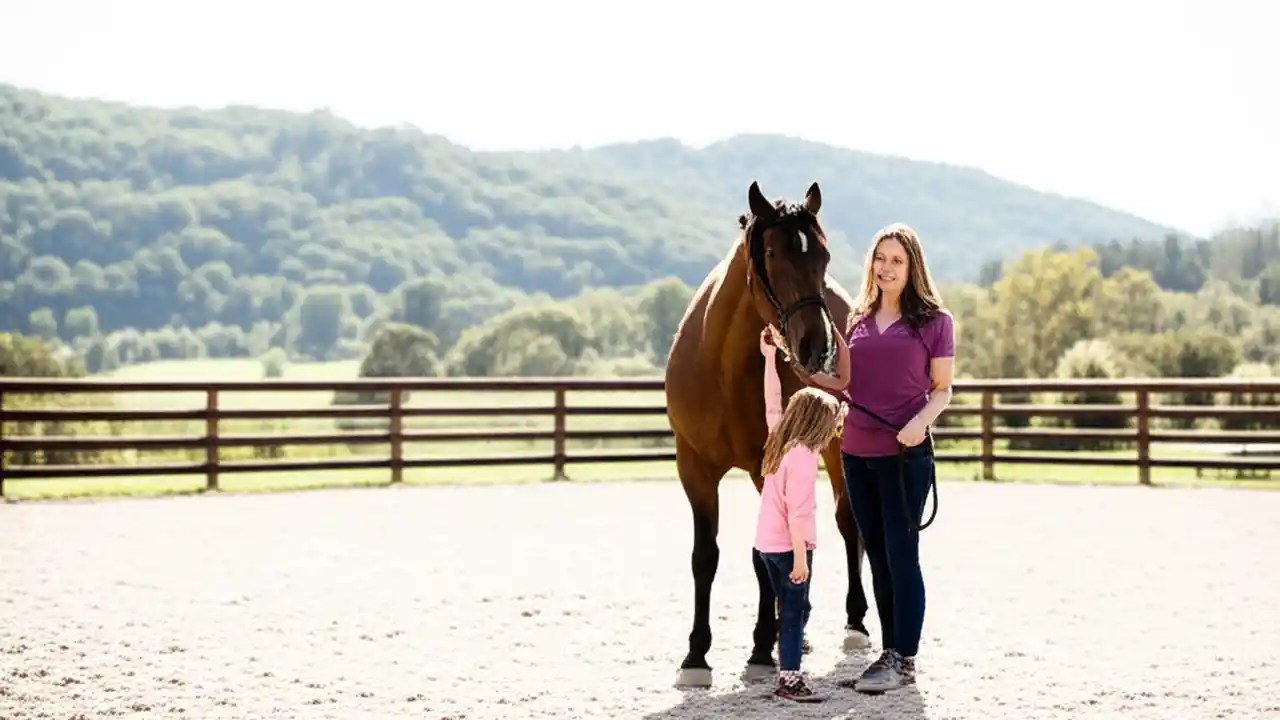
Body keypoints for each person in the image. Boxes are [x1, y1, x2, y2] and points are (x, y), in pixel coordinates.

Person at [830, 222, 955, 694]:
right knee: (877, 556)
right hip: (855, 452)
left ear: (912, 266)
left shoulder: (934, 322)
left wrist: (919, 422)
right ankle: (888, 652)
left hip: (904, 455)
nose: (886, 267)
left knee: (903, 555)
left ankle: (905, 658)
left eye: (896, 260)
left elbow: (942, 391)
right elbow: (845, 384)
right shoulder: (857, 320)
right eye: (880, 258)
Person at [754, 326, 849, 702]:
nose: (831, 433)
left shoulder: (778, 438)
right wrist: (800, 557)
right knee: (794, 615)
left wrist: (768, 359)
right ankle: (789, 680)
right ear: (816, 426)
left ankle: (786, 659)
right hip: (789, 547)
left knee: (794, 607)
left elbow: (772, 401)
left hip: (763, 547)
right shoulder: (805, 458)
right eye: (829, 426)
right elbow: (798, 511)